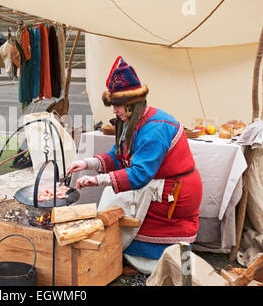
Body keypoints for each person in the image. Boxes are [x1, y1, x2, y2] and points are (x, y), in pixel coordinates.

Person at [66, 56, 202, 274]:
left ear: (131, 104)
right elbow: (118, 156)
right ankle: (121, 251)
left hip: (173, 195)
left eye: (118, 106)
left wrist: (97, 180)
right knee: (112, 201)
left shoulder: (154, 129)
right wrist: (86, 163)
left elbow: (139, 174)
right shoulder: (133, 122)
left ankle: (146, 261)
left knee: (115, 212)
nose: (114, 111)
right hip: (158, 185)